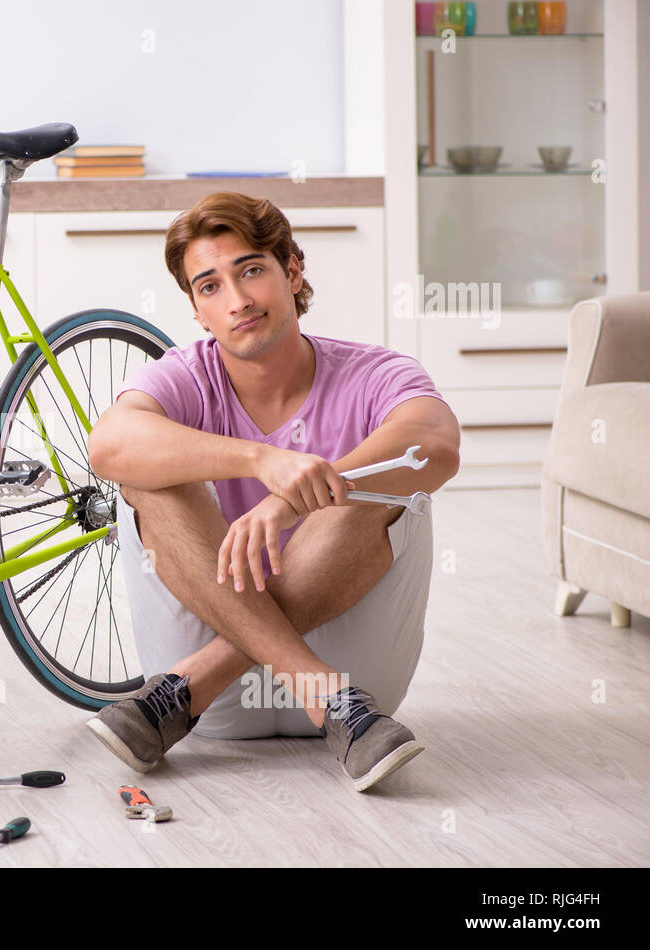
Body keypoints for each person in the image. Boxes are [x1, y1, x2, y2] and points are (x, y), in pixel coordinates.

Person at [84, 191, 460, 791]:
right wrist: (263, 462)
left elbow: (435, 447)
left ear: (292, 270)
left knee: (366, 484)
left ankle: (206, 679)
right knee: (150, 479)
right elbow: (109, 447)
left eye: (251, 270)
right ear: (197, 309)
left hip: (209, 697)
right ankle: (318, 689)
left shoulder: (376, 371)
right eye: (209, 287)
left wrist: (292, 498)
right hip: (303, 709)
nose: (236, 301)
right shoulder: (185, 375)